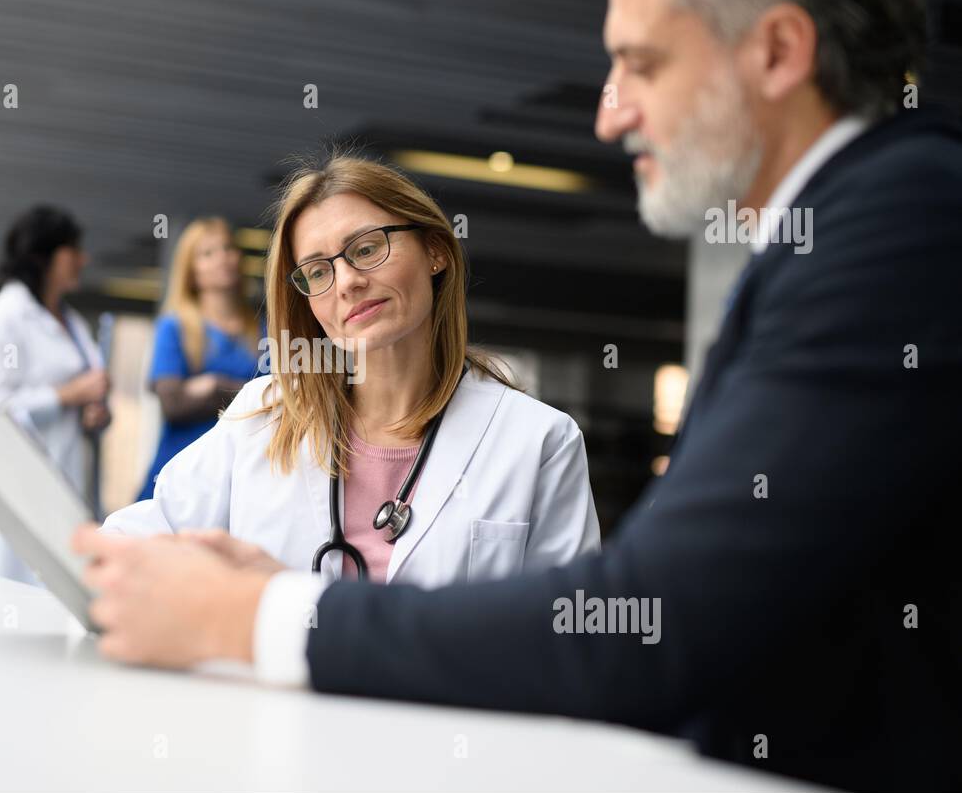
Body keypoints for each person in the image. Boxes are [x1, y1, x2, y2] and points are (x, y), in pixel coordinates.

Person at [72, 0, 962, 791]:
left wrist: (258, 615)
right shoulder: (834, 238)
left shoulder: (899, 226)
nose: (609, 114)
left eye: (641, 63)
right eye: (315, 272)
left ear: (776, 51)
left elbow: (654, 622)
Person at [95, 156, 600, 585]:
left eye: (366, 248)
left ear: (436, 252)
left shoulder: (539, 442)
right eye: (317, 271)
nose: (347, 283)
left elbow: (569, 638)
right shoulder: (262, 416)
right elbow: (126, 549)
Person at [0, 204, 110, 584]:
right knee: (16, 598)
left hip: (68, 482)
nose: (84, 259)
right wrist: (67, 394)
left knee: (65, 593)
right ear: (43, 256)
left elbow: (85, 397)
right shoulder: (1, 318)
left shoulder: (74, 322)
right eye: (74, 251)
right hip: (19, 485)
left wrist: (92, 412)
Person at [136, 218, 265, 500]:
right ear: (191, 271)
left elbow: (277, 402)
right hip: (181, 473)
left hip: (241, 475)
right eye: (208, 253)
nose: (223, 258)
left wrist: (210, 387)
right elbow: (173, 403)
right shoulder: (175, 327)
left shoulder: (263, 328)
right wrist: (246, 394)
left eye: (228, 248)